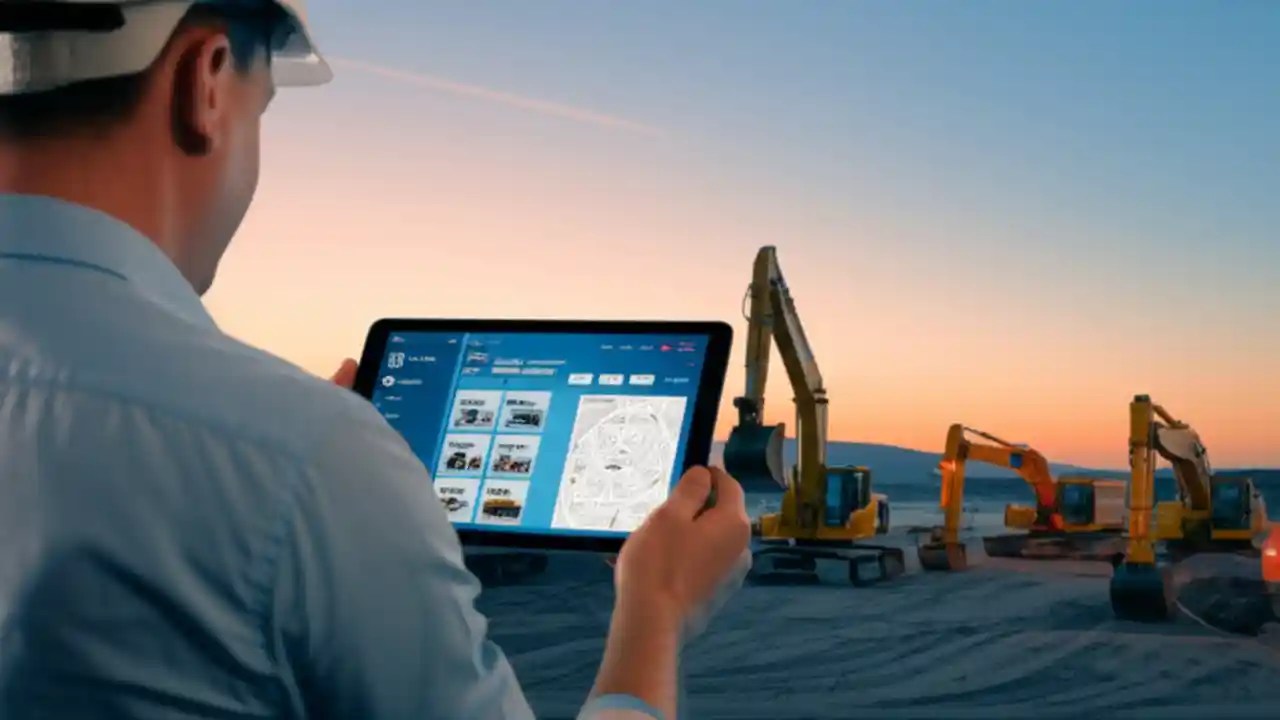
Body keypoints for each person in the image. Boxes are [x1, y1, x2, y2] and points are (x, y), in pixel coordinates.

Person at [0, 2, 752, 719]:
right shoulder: (307, 458)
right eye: (261, 111)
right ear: (207, 79)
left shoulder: (306, 454)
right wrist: (655, 608)